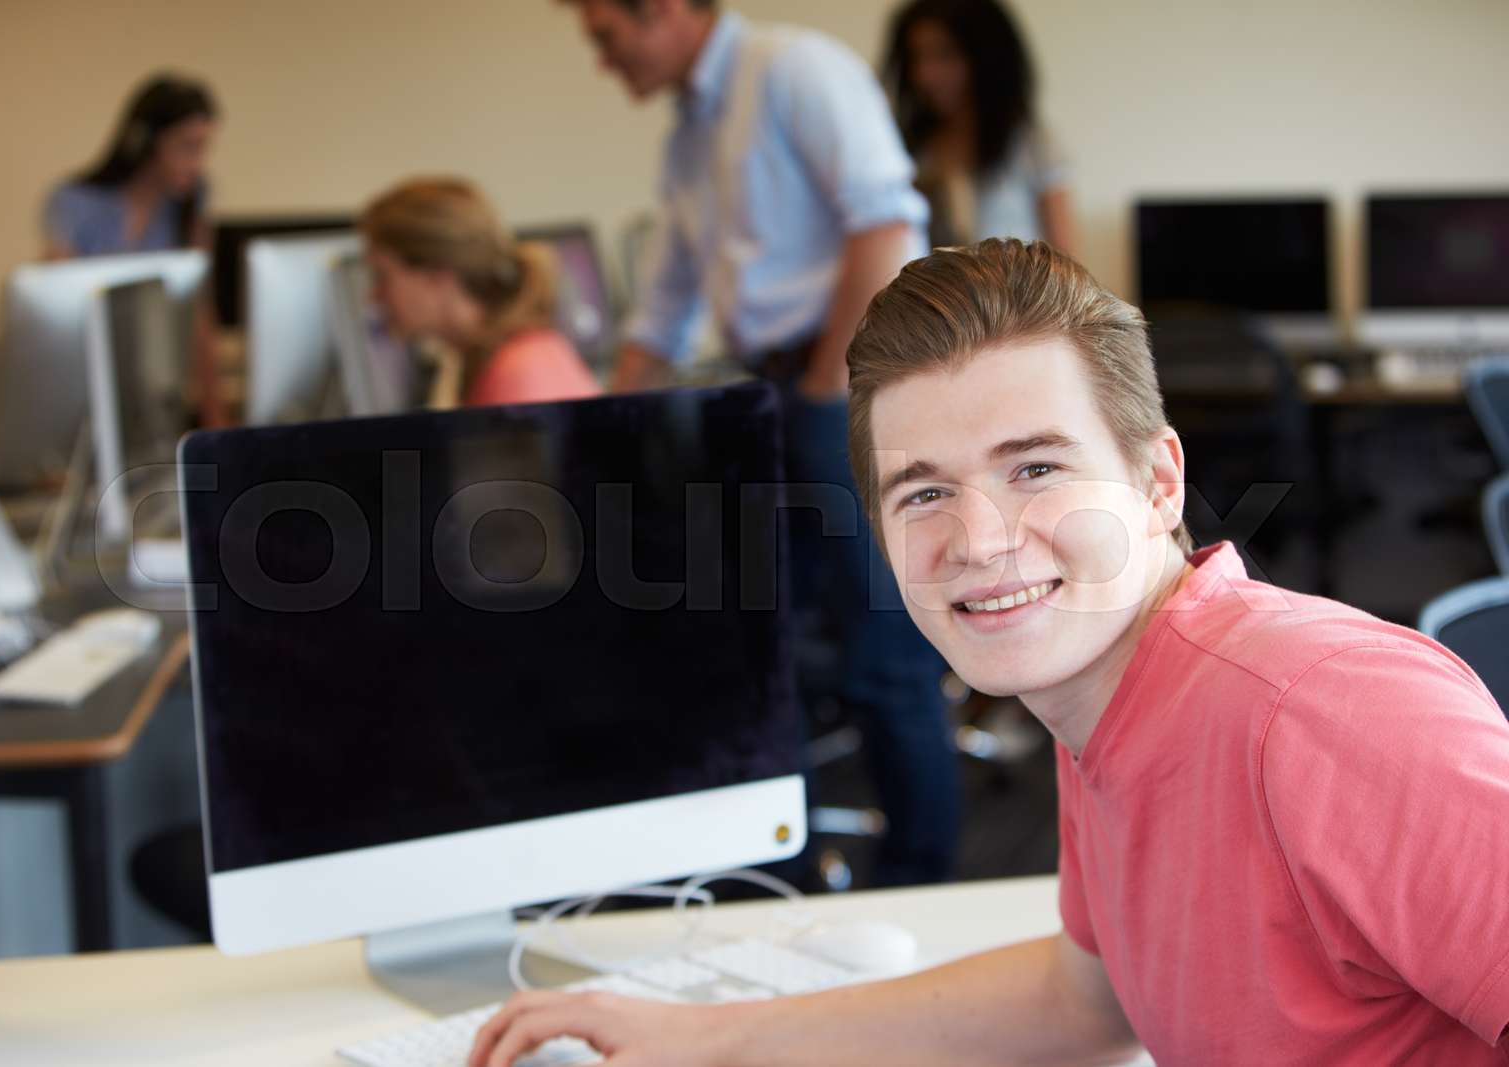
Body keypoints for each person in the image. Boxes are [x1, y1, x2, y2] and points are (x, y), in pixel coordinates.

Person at [468, 239, 1509, 1066]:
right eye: (923, 491)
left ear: (1156, 479)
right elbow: (1084, 997)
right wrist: (704, 1037)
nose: (977, 540)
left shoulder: (1326, 710)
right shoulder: (1105, 689)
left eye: (1034, 467)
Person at [559, 0, 962, 887]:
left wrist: (827, 388)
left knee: (883, 659)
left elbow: (887, 226)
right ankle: (782, 876)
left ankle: (921, 880)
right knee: (759, 653)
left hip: (846, 385)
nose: (602, 60)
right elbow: (664, 304)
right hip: (770, 394)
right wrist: (596, 429)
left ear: (662, 11)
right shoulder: (690, 133)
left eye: (605, 36)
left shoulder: (792, 72)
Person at [43, 73, 226, 425]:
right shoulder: (75, 203)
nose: (197, 163)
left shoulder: (190, 204)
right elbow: (60, 313)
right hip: (85, 388)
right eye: (188, 147)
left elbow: (200, 313)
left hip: (156, 391)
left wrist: (217, 421)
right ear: (144, 142)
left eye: (204, 148)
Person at [359, 177, 599, 407]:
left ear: (436, 274)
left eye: (382, 276)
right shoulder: (482, 357)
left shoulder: (518, 375)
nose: (374, 296)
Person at [884, 0, 1078, 254]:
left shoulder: (1031, 143)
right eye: (916, 57)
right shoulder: (905, 151)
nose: (925, 74)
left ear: (985, 56)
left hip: (1015, 293)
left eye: (944, 54)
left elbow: (1067, 259)